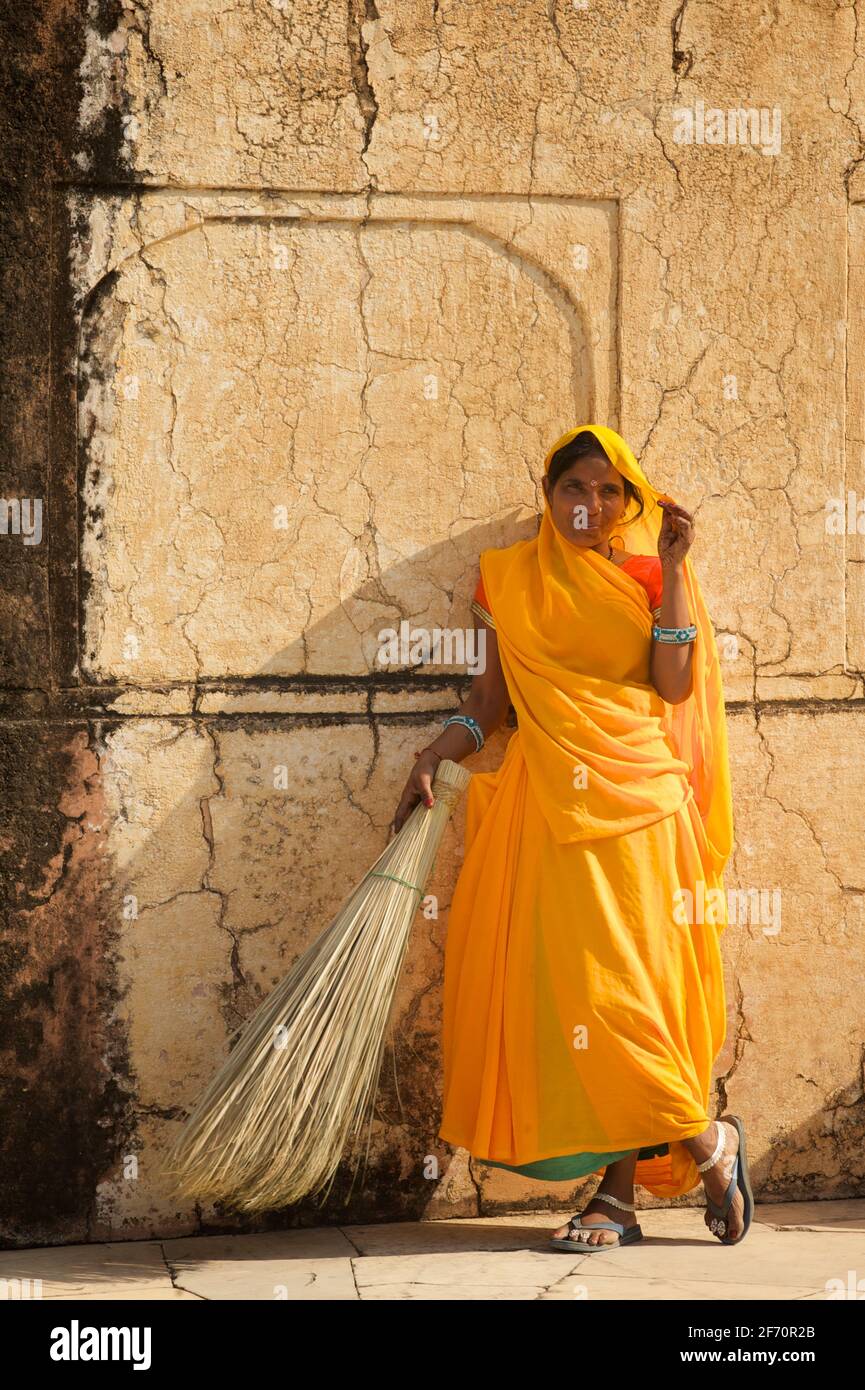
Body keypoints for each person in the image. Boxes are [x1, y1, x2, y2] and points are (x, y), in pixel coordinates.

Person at [391, 424, 752, 1251]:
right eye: (573, 491)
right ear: (546, 498)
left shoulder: (649, 574)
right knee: (572, 1001)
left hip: (638, 805)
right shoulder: (507, 578)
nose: (589, 506)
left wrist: (675, 570)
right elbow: (490, 705)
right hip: (546, 805)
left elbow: (672, 685)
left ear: (628, 501)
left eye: (606, 492)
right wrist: (429, 755)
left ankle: (661, 1167)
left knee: (626, 997)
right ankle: (675, 1162)